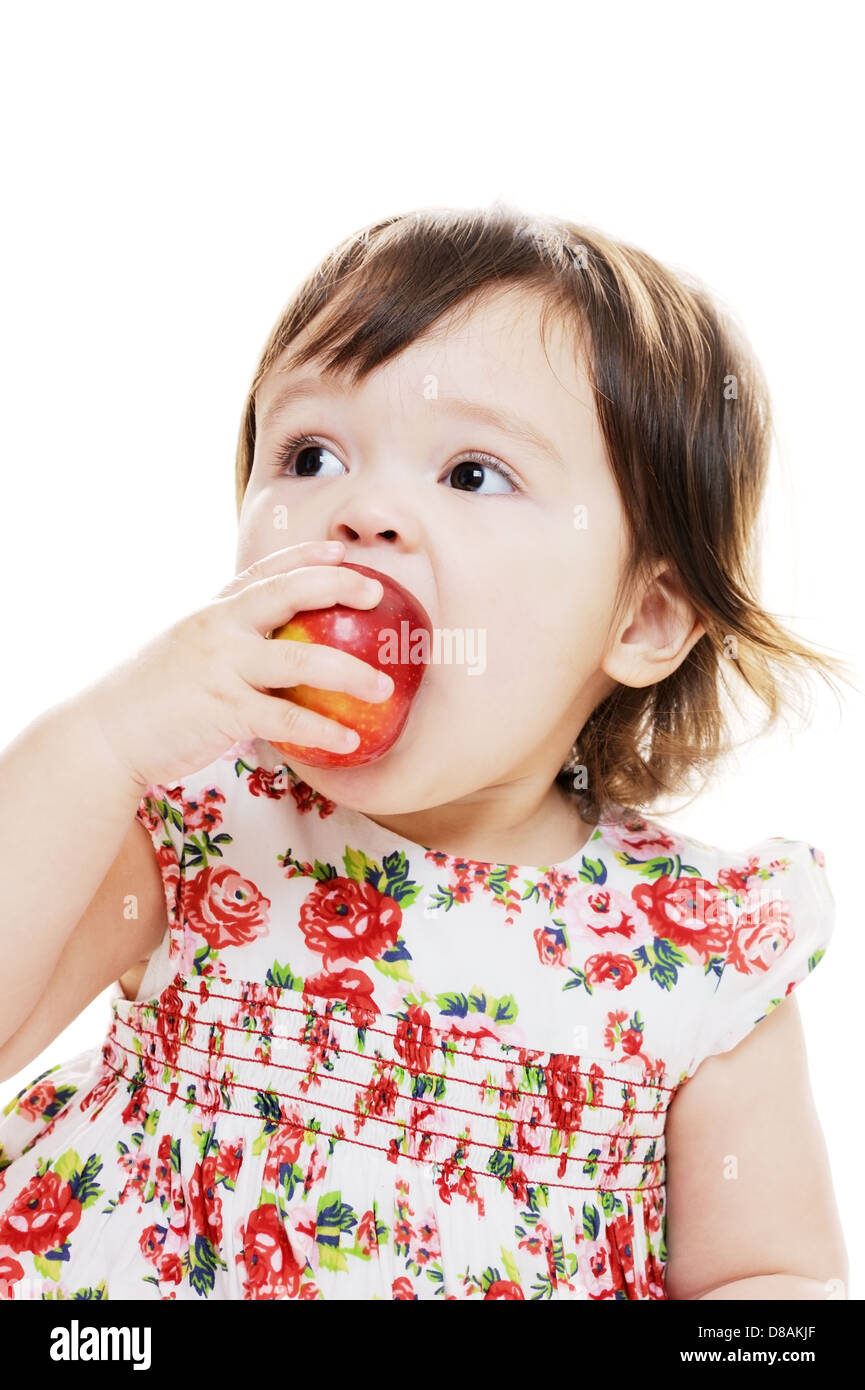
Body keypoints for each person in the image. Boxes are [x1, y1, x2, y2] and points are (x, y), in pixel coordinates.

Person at [0, 203, 852, 1300]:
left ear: (640, 618)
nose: (362, 513)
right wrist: (105, 737)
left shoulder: (691, 947)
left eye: (470, 474)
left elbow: (771, 1278)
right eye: (309, 454)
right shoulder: (197, 818)